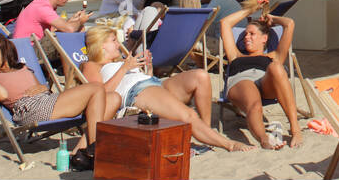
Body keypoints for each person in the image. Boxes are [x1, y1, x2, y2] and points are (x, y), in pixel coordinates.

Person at [80, 27, 251, 152]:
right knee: (188, 115)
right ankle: (229, 144)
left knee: (201, 76)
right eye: (113, 40)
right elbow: (99, 93)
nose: (118, 44)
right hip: (137, 92)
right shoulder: (92, 65)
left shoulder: (121, 61)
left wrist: (148, 68)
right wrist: (124, 68)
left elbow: (142, 76)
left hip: (153, 83)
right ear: (101, 45)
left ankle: (205, 131)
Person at [0, 33, 113, 170]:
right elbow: (2, 95)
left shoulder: (23, 67)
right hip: (29, 110)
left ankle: (81, 152)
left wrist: (41, 88)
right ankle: (95, 147)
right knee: (96, 88)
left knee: (113, 98)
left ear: (3, 47)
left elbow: (43, 90)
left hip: (45, 101)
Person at [220, 0, 304, 149]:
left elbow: (289, 23)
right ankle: (264, 139)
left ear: (264, 38)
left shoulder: (274, 56)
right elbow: (225, 23)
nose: (246, 37)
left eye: (252, 34)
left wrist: (270, 18)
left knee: (277, 67)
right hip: (242, 80)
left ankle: (295, 129)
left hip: (265, 84)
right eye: (245, 34)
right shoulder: (236, 55)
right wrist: (252, 9)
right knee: (254, 103)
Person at [11, 0, 90, 40]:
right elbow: (70, 30)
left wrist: (72, 21)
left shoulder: (42, 2)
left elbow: (54, 30)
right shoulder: (43, 8)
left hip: (28, 46)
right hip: (30, 50)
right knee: (80, 30)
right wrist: (80, 21)